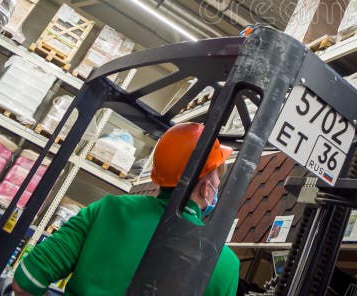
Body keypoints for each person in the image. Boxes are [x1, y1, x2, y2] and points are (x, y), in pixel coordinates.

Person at [12, 122, 240, 296]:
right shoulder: (224, 263)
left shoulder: (109, 210)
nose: (218, 185)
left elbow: (26, 280)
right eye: (217, 178)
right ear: (206, 188)